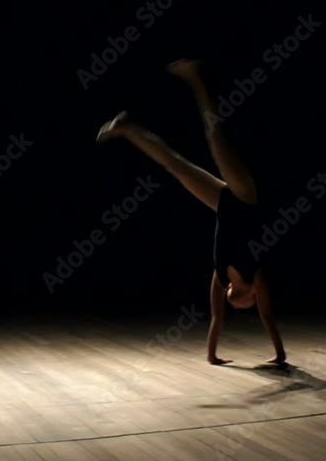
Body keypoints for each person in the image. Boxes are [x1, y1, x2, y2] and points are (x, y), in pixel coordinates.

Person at [96, 59, 287, 366]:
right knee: (215, 140)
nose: (239, 303)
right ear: (252, 294)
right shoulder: (255, 276)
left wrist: (212, 356)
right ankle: (196, 76)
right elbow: (267, 318)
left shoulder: (220, 277)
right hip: (245, 196)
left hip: (223, 203)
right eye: (246, 303)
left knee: (175, 165)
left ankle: (126, 128)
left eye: (237, 303)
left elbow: (216, 318)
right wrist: (279, 354)